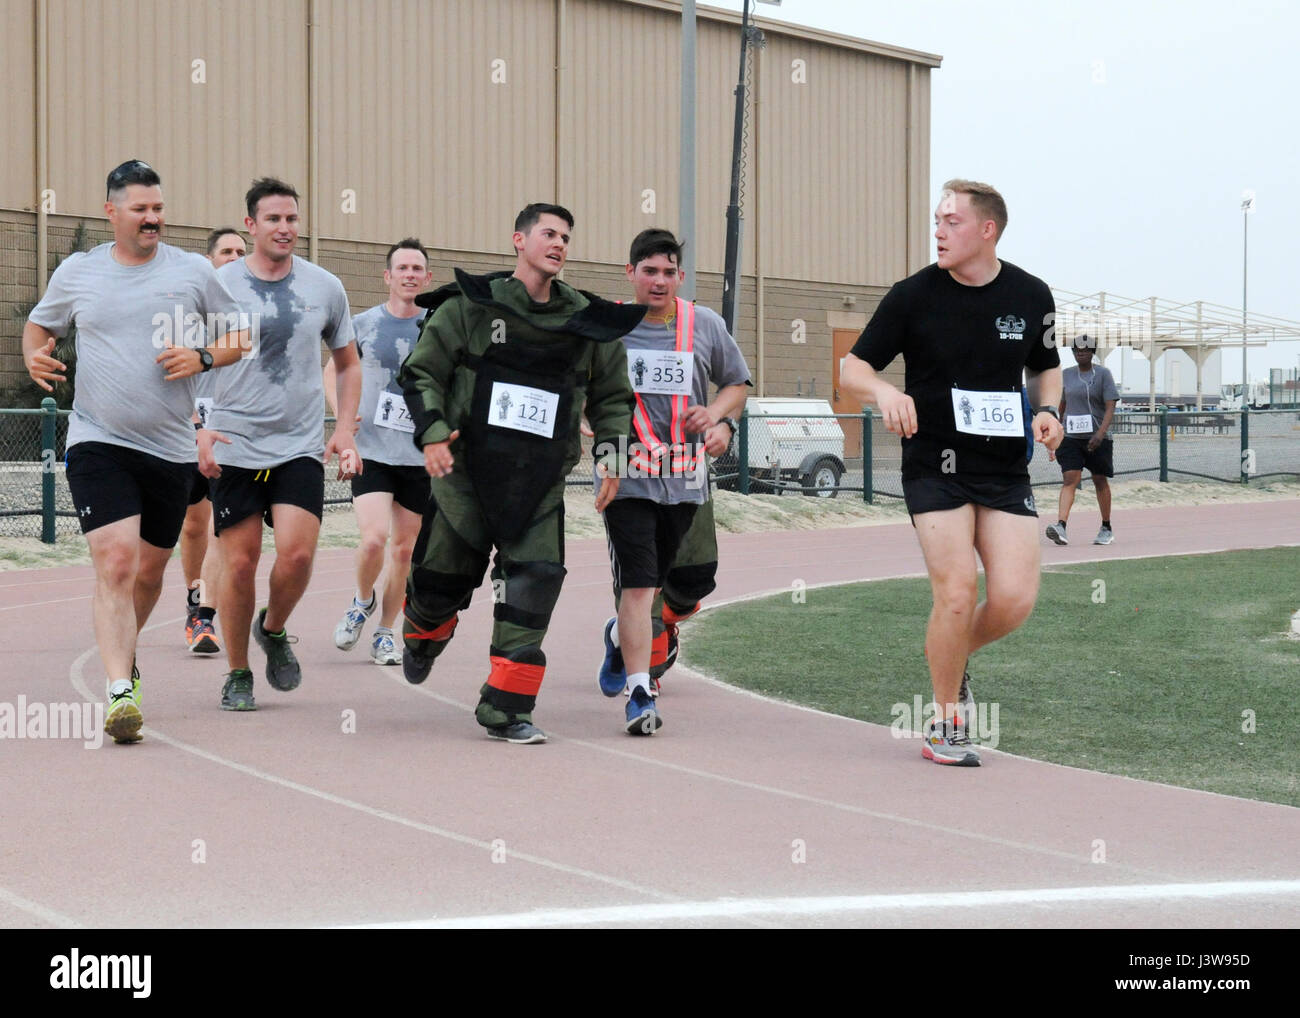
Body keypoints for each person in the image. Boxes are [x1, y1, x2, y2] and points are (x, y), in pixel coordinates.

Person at [397, 203, 639, 744]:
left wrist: (613, 458)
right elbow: (422, 372)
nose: (558, 244)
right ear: (518, 241)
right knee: (438, 585)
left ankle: (506, 710)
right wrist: (432, 432)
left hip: (538, 486)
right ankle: (422, 636)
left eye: (566, 237)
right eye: (548, 234)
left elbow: (614, 398)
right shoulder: (469, 308)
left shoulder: (587, 323)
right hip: (464, 479)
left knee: (532, 585)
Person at [841, 179, 1063, 767]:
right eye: (936, 219)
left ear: (987, 230)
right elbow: (851, 367)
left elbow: (1045, 368)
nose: (938, 230)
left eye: (951, 221)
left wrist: (1046, 411)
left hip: (1004, 468)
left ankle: (947, 651)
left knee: (1014, 599)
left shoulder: (1031, 294)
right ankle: (945, 720)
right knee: (958, 591)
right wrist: (884, 391)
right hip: (934, 465)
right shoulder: (912, 296)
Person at [22, 159, 246, 743]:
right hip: (99, 437)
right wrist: (34, 355)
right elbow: (39, 326)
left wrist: (202, 358)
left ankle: (127, 654)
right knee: (116, 563)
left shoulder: (194, 271)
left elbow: (239, 337)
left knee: (149, 574)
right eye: (141, 209)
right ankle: (120, 689)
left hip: (170, 448)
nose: (153, 219)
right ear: (111, 212)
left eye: (158, 208)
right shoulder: (79, 271)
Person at [199, 177, 362, 712]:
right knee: (240, 564)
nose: (285, 228)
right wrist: (197, 426)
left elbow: (348, 362)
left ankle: (273, 628)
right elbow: (184, 360)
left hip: (296, 445)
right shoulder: (217, 284)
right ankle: (239, 672)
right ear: (251, 225)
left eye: (292, 218)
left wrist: (343, 429)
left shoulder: (324, 286)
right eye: (273, 219)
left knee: (295, 554)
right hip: (234, 444)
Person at [595, 229, 750, 734]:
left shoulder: (703, 324)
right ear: (630, 273)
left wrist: (721, 420)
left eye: (668, 272)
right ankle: (641, 693)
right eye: (649, 271)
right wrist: (600, 450)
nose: (659, 281)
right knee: (640, 584)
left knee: (662, 580)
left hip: (685, 480)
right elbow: (581, 393)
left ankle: (620, 635)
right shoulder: (607, 327)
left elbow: (737, 383)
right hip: (628, 476)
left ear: (680, 276)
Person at [326, 238, 433, 664]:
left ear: (428, 278)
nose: (410, 275)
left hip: (418, 456)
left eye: (417, 269)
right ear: (388, 277)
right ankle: (361, 600)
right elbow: (331, 370)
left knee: (404, 551)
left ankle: (386, 632)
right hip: (371, 450)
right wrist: (343, 421)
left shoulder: (436, 327)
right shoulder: (363, 324)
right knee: (373, 540)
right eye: (402, 268)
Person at [179, 227, 247, 654]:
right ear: (210, 259)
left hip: (231, 434)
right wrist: (192, 421)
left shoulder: (249, 312)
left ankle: (203, 618)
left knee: (223, 529)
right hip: (186, 429)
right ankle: (194, 600)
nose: (235, 257)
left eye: (242, 251)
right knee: (192, 526)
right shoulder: (189, 310)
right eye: (227, 251)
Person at [1046, 333, 1118, 546]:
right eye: (1078, 350)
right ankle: (1061, 526)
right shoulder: (1066, 375)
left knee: (1099, 480)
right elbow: (1061, 405)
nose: (1081, 353)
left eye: (1086, 349)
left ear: (1092, 352)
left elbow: (1110, 406)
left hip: (1097, 438)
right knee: (1070, 478)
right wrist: (1055, 431)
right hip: (1070, 437)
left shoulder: (1103, 374)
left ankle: (1106, 527)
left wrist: (1100, 434)